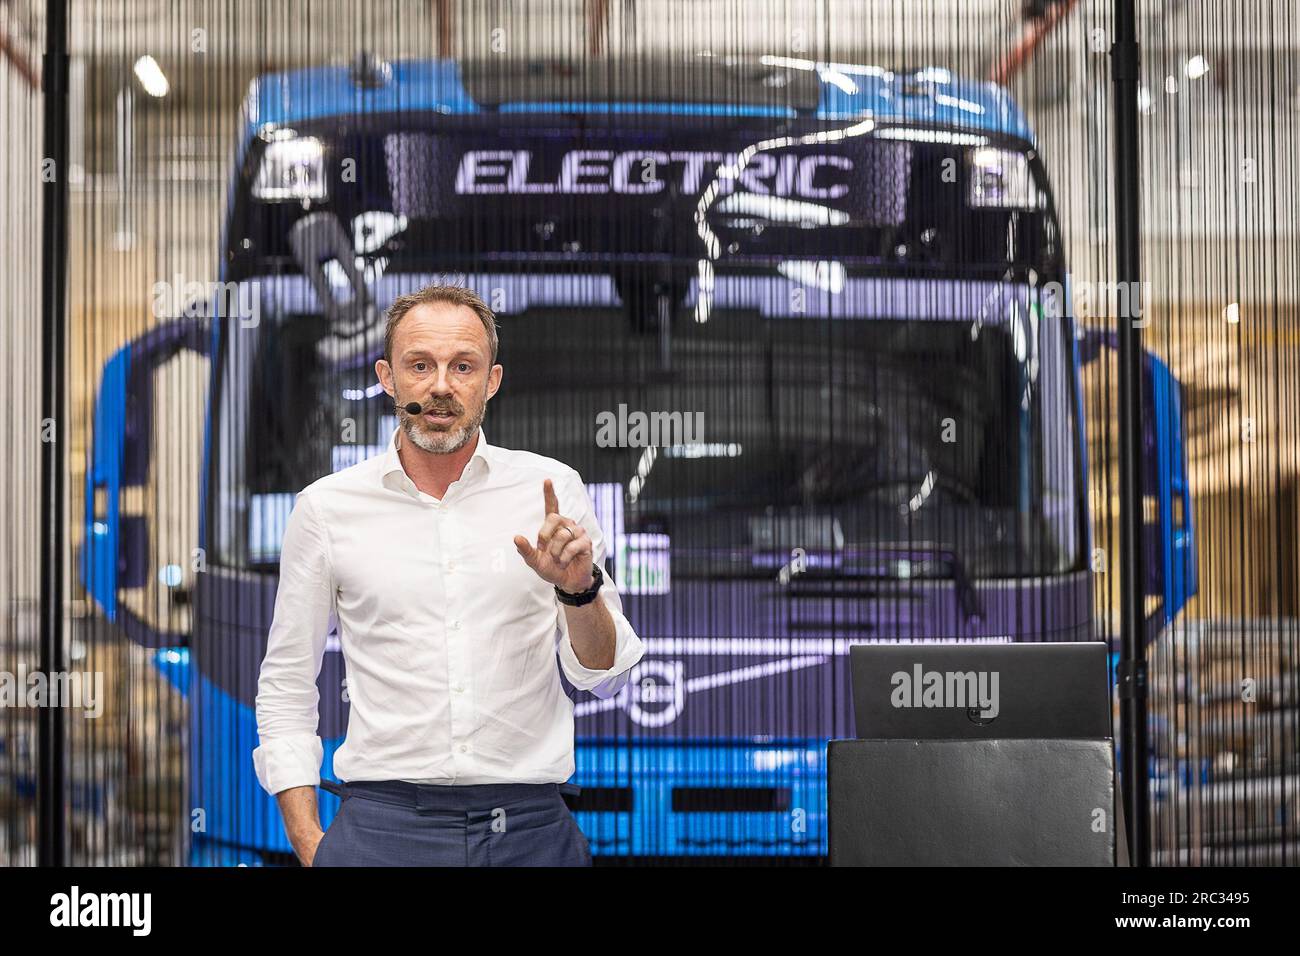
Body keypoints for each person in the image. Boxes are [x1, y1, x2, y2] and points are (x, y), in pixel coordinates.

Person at [253, 284, 645, 866]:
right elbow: (287, 684)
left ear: (491, 381)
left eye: (463, 366)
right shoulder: (326, 508)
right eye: (420, 365)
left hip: (531, 831)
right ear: (388, 378)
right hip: (380, 831)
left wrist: (578, 591)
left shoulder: (552, 491)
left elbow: (603, 677)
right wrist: (312, 845)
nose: (441, 386)